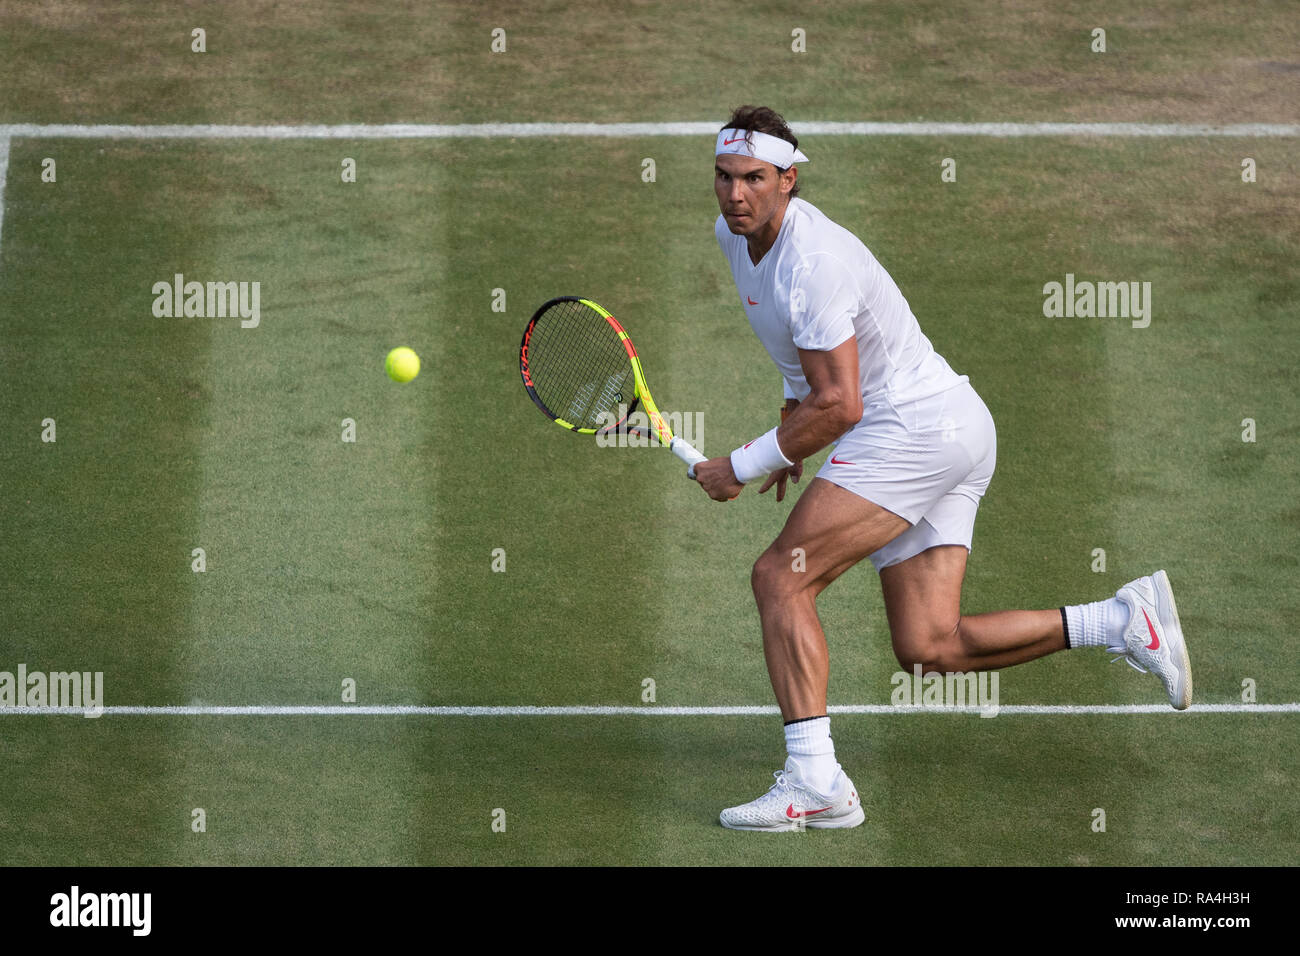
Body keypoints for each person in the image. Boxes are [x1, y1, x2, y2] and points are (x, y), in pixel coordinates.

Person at [692, 105, 1192, 832]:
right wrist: (789, 429)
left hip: (915, 431)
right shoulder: (734, 239)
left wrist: (743, 463)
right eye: (724, 176)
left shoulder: (816, 260)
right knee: (929, 646)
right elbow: (805, 362)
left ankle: (814, 781)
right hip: (949, 428)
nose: (736, 194)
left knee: (780, 577)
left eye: (754, 179)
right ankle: (1120, 621)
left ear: (788, 181)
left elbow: (844, 405)